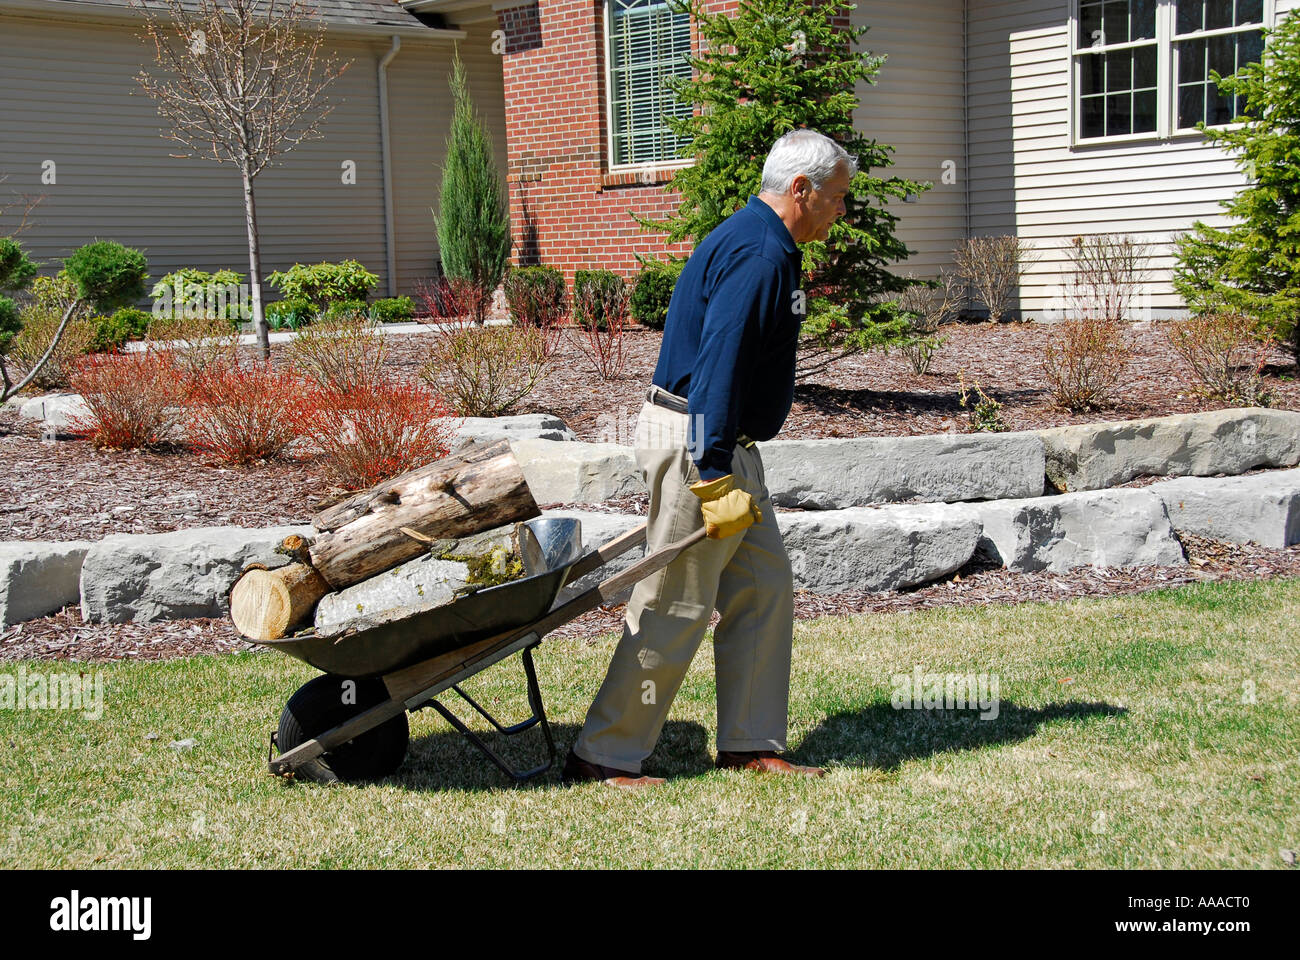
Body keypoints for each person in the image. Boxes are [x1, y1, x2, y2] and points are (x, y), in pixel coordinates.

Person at [562, 129, 856, 789]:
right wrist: (715, 470)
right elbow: (720, 361)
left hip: (723, 445)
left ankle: (750, 742)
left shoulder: (763, 241)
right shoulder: (760, 252)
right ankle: (602, 754)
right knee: (674, 600)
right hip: (704, 446)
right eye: (837, 198)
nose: (842, 211)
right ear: (800, 190)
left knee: (763, 585)